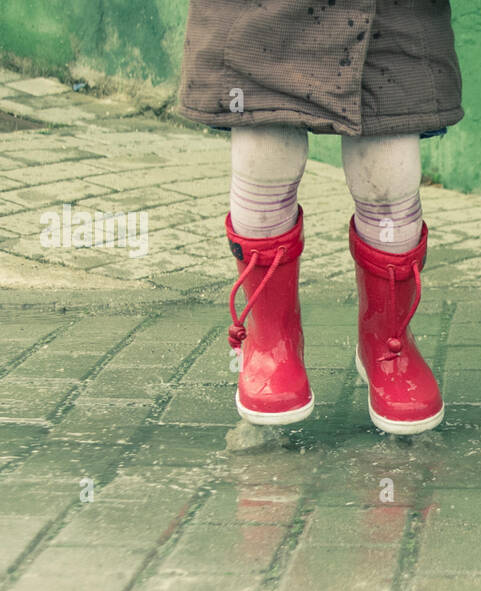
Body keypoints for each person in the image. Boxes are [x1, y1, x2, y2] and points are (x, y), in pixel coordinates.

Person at [177, 0, 462, 435]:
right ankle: (272, 344)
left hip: (392, 13)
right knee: (264, 154)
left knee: (390, 172)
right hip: (255, 13)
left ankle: (387, 343)